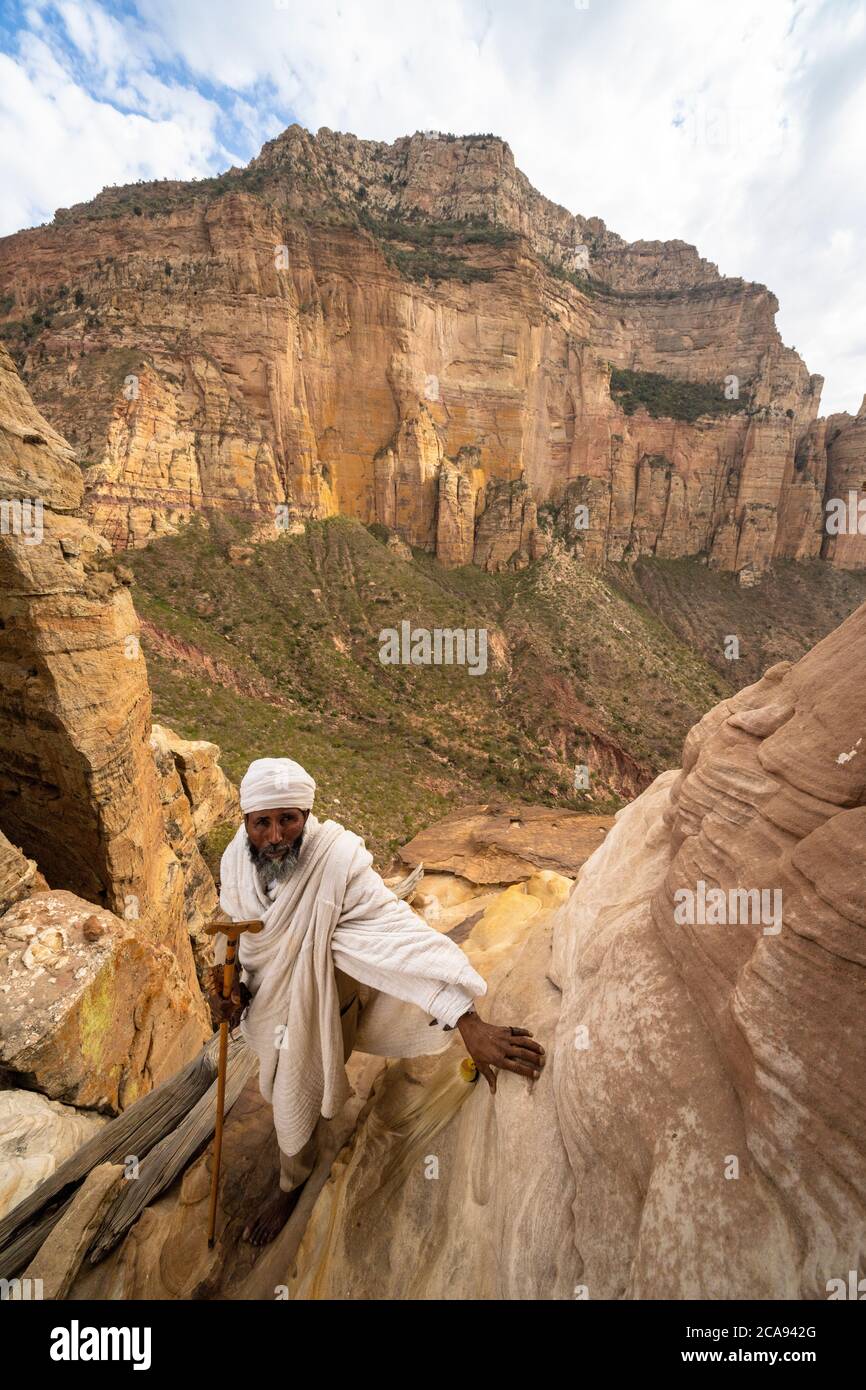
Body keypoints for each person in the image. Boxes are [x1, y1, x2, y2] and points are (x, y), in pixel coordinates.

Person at [209, 756, 546, 1246]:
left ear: (306, 814)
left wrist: (468, 1021)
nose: (277, 835)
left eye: (289, 819)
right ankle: (297, 1162)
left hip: (327, 1005)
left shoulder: (338, 861)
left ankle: (290, 1183)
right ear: (246, 823)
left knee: (299, 1090)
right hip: (269, 1006)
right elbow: (234, 933)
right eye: (264, 822)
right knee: (286, 1084)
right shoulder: (235, 863)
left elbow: (398, 933)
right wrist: (227, 989)